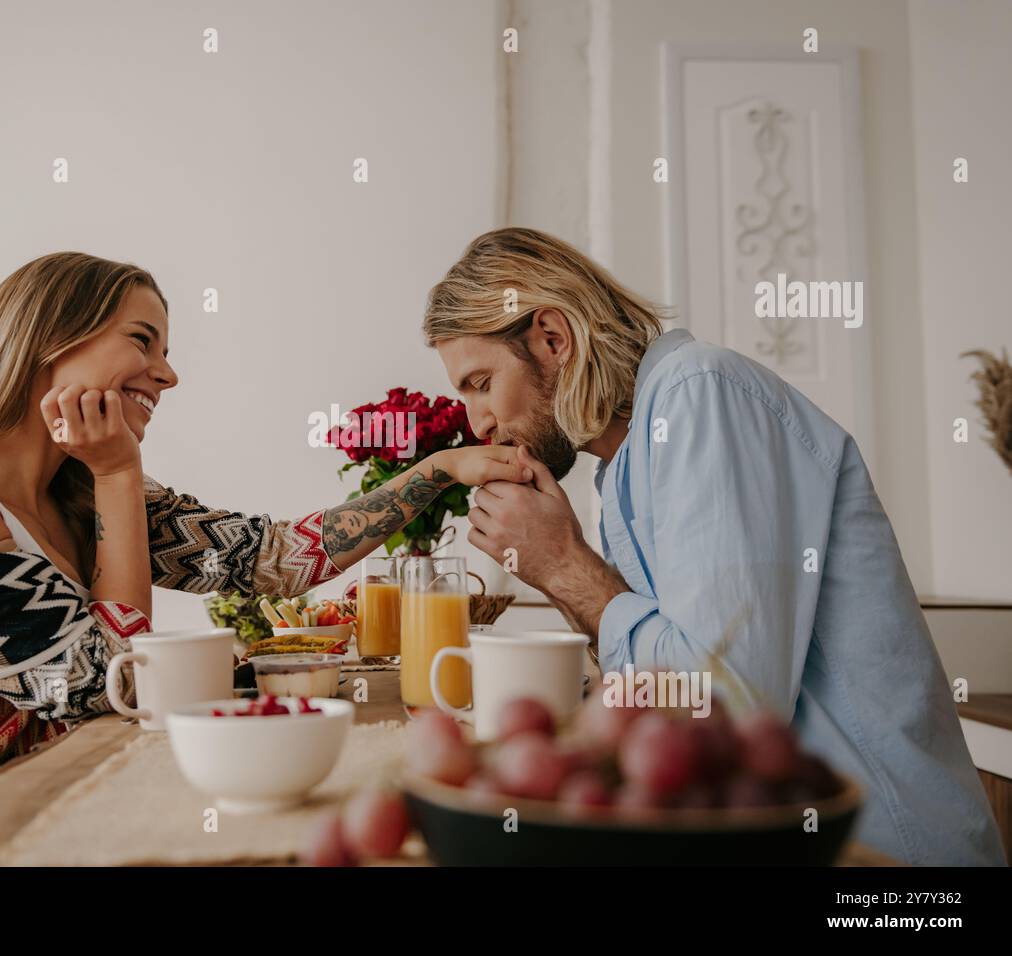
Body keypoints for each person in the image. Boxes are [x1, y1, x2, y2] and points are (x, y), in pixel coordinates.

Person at [0, 251, 528, 866]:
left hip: (15, 831)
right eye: (143, 341)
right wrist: (119, 474)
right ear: (50, 340)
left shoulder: (81, 492)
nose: (169, 372)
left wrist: (437, 473)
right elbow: (110, 680)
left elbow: (273, 560)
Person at [423, 226, 1006, 866]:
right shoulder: (619, 466)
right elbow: (662, 694)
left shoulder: (699, 392)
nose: (476, 425)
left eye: (480, 383)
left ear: (553, 338)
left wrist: (564, 565)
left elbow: (723, 702)